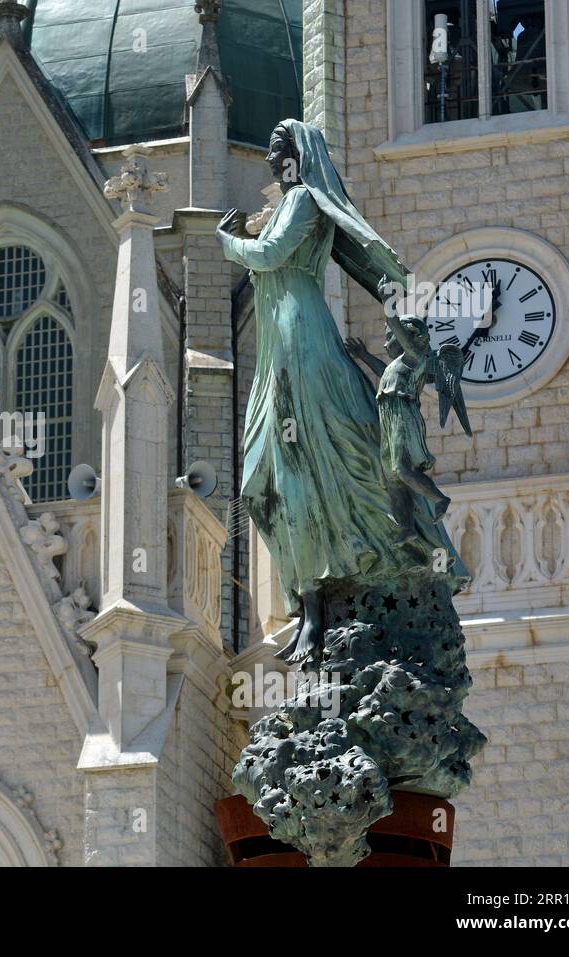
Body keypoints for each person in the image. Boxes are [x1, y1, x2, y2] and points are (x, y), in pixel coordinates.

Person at [217, 119, 465, 667]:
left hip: (301, 332)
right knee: (266, 476)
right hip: (275, 340)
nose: (270, 157)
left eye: (278, 149)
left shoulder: (304, 199)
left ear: (297, 156)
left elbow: (268, 256)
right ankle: (308, 606)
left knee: (311, 457)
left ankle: (327, 602)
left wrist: (228, 241)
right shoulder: (285, 204)